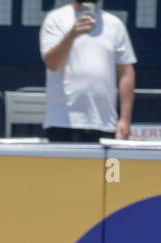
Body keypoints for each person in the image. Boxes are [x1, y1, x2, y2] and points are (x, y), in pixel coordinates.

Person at [39, 1, 136, 142]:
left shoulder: (115, 24)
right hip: (63, 122)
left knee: (108, 165)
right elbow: (52, 63)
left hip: (104, 124)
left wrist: (125, 120)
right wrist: (72, 35)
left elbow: (126, 72)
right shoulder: (55, 19)